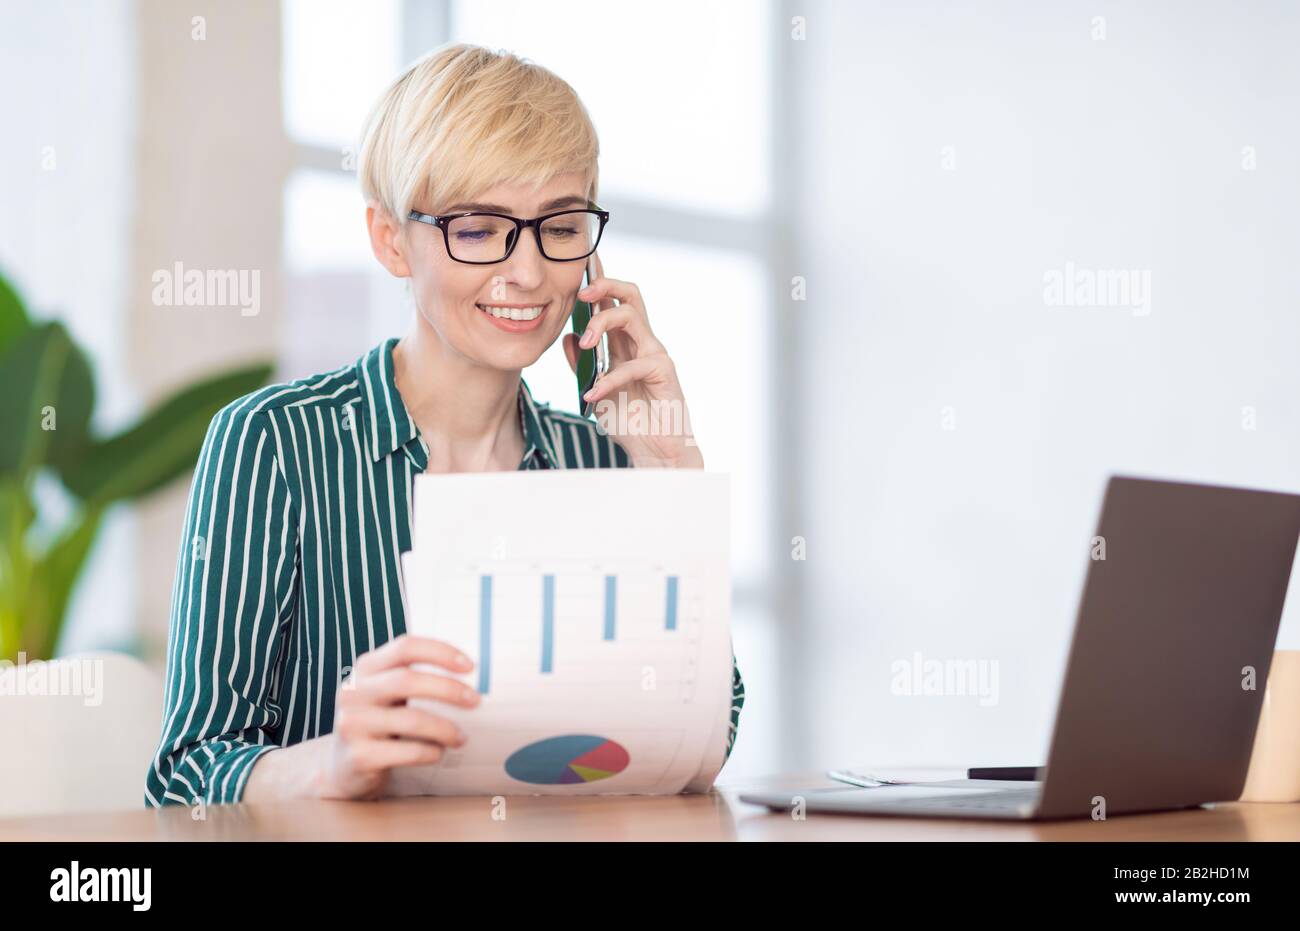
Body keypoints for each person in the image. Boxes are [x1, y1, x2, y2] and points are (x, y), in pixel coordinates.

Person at [144, 43, 744, 807]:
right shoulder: (273, 443)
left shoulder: (599, 457)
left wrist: (671, 478)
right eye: (479, 226)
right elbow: (185, 776)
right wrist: (331, 764)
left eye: (560, 225)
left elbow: (701, 743)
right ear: (392, 240)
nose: (527, 272)